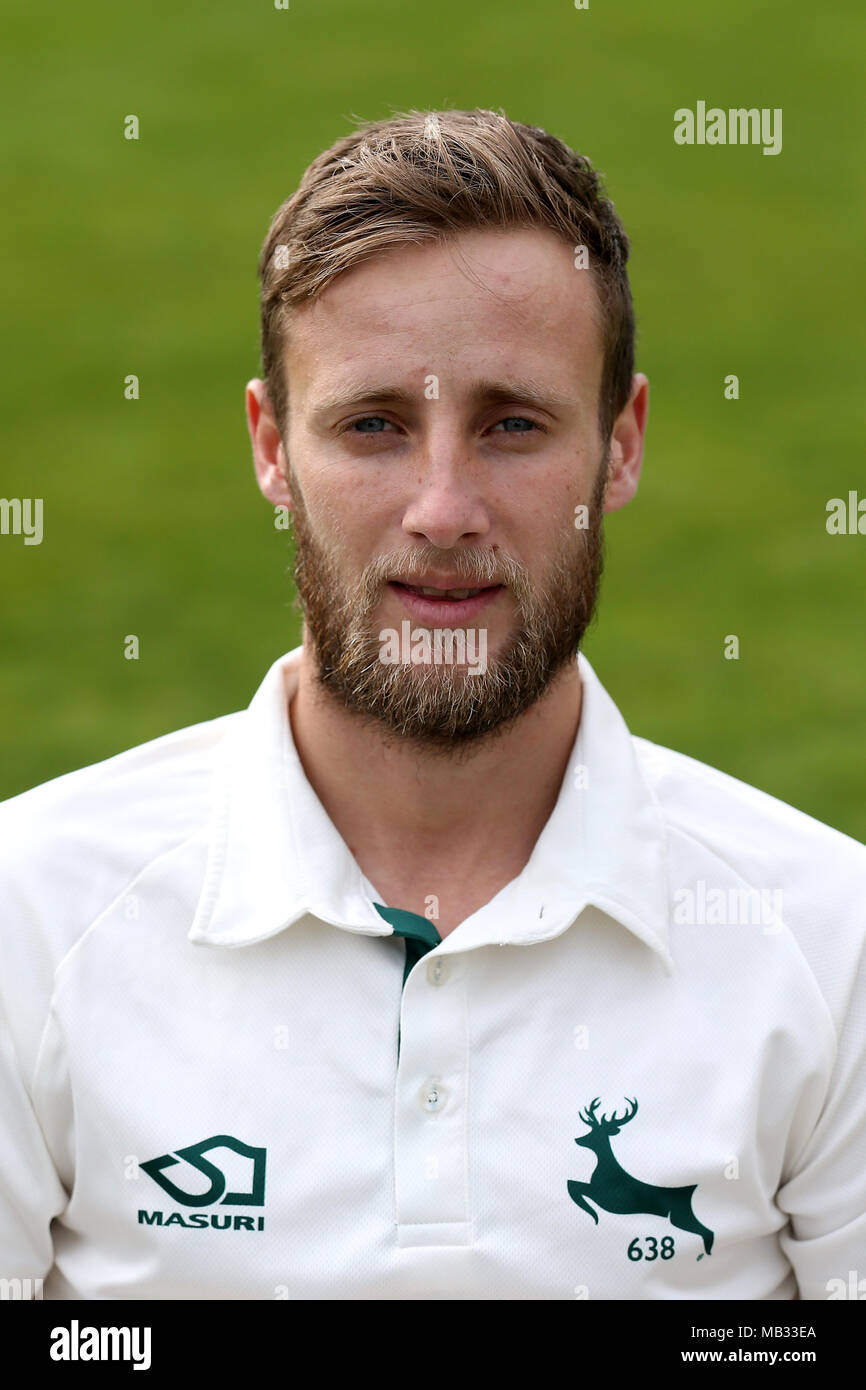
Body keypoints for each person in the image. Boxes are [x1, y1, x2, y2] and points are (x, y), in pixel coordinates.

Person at [1, 108, 863, 1302]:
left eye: (512, 424)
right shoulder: (29, 915)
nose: (442, 508)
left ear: (619, 445)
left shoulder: (830, 943)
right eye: (373, 427)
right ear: (269, 448)